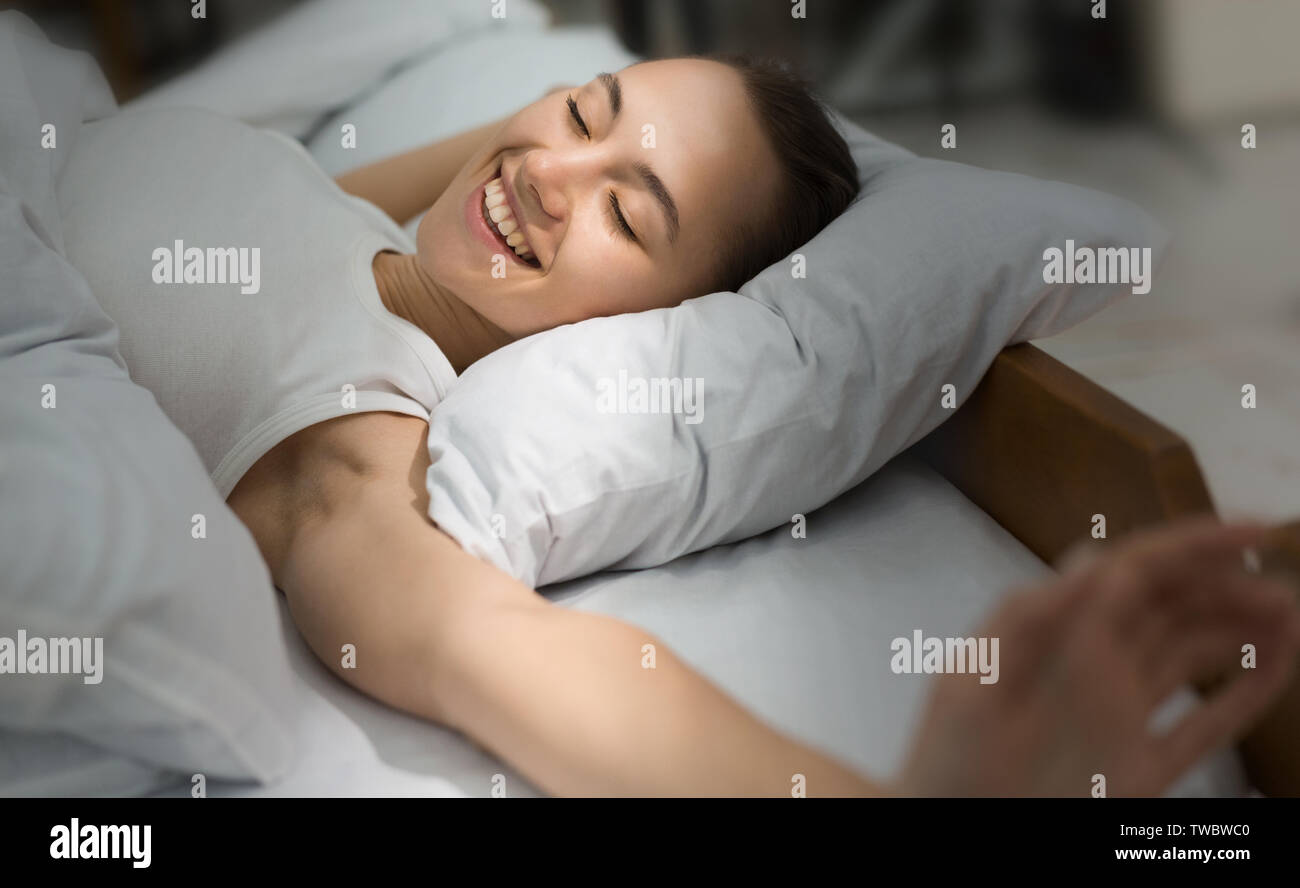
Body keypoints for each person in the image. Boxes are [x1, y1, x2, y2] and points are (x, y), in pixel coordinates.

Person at [66, 55, 1300, 796]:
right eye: (589, 113)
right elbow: (520, 143)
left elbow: (478, 640)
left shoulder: (345, 435)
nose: (552, 174)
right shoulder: (377, 224)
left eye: (633, 217)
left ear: (655, 326)